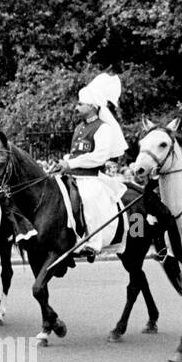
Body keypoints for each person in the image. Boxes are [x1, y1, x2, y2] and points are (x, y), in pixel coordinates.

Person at [56, 73, 128, 260]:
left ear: (92, 106)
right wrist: (64, 162)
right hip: (72, 175)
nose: (77, 107)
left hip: (91, 177)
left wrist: (71, 162)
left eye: (81, 104)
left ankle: (94, 243)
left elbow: (98, 157)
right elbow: (75, 153)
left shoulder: (103, 128)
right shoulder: (79, 127)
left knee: (89, 198)